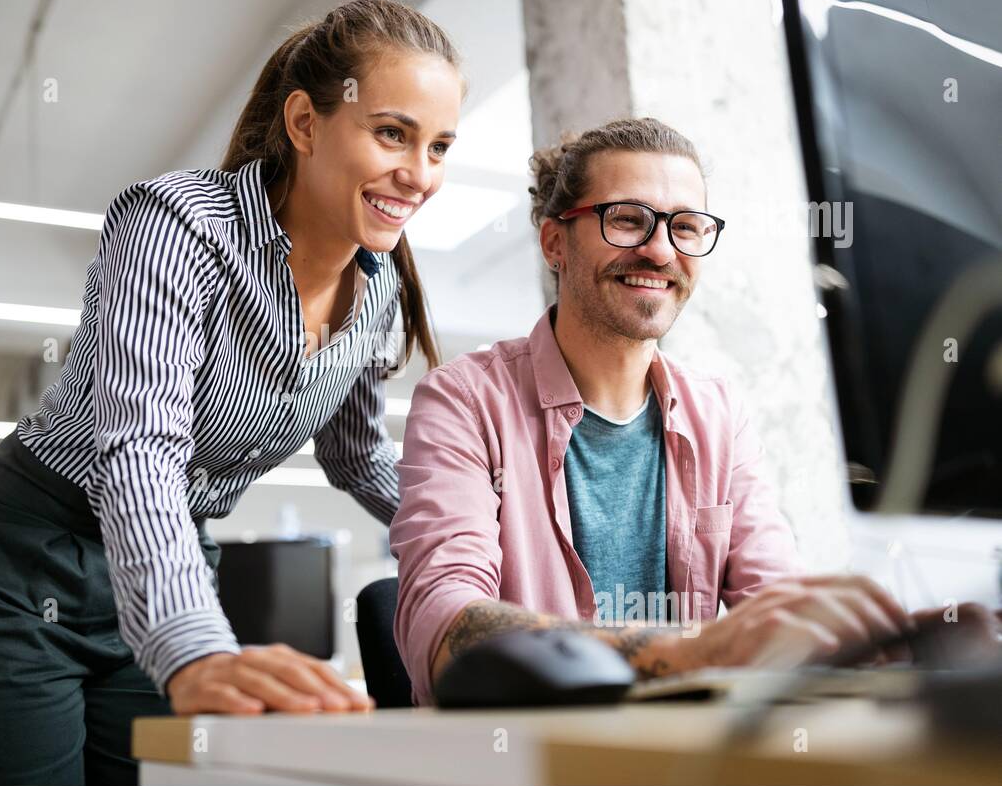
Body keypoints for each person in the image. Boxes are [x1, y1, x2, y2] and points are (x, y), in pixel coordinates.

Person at [0, 0, 464, 785]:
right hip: (20, 563)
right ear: (305, 123)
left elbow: (358, 458)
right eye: (392, 133)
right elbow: (140, 448)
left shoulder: (378, 293)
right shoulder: (178, 226)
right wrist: (193, 647)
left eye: (440, 146)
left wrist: (489, 547)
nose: (421, 173)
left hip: (174, 558)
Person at [391, 118, 1000, 705]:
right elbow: (447, 632)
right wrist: (699, 648)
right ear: (555, 242)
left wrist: (899, 644)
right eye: (627, 220)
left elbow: (777, 606)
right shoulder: (464, 399)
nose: (660, 251)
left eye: (686, 227)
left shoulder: (717, 412)